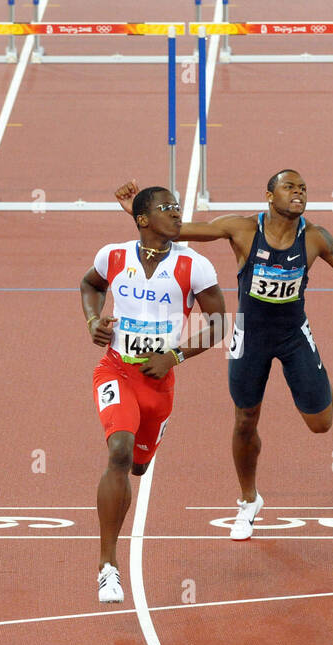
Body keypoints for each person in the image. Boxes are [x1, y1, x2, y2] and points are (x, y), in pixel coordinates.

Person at [116, 171, 333, 541]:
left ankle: (313, 382)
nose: (299, 192)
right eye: (290, 187)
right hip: (249, 338)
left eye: (303, 188)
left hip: (292, 336)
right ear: (270, 196)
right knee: (244, 420)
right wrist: (136, 211)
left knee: (321, 424)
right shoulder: (241, 229)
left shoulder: (315, 238)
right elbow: (176, 231)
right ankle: (248, 500)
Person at [80, 187, 226, 603]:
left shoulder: (194, 265)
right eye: (167, 208)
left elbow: (219, 324)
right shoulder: (113, 256)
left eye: (178, 207)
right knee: (119, 452)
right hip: (116, 370)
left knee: (139, 466)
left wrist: (174, 356)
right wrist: (93, 321)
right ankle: (108, 565)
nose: (177, 213)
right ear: (143, 220)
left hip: (158, 383)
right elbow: (89, 285)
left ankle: (143, 456)